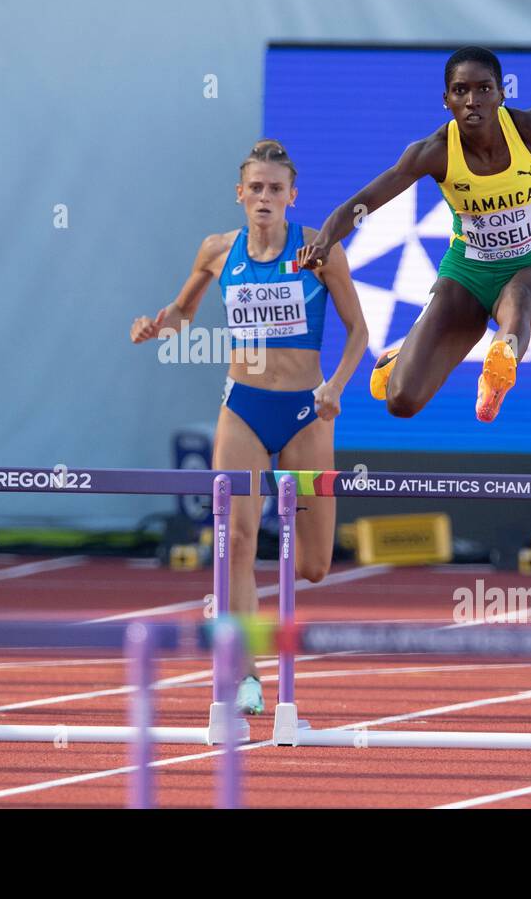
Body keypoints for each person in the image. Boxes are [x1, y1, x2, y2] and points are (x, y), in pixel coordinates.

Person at [299, 46, 531, 422]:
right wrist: (326, 239)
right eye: (460, 91)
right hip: (465, 276)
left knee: (518, 298)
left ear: (501, 94)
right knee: (401, 402)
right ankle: (402, 358)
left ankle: (498, 372)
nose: (472, 100)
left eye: (484, 89)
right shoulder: (434, 152)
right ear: (446, 99)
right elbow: (366, 200)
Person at [130, 140, 368, 714]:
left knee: (312, 567)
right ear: (240, 195)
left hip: (306, 412)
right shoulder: (218, 250)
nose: (264, 197)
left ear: (292, 196)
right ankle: (249, 674)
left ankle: (232, 615)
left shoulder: (318, 250)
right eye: (255, 188)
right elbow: (184, 312)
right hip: (243, 409)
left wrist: (334, 387)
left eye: (275, 189)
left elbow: (358, 330)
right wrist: (159, 326)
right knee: (235, 541)